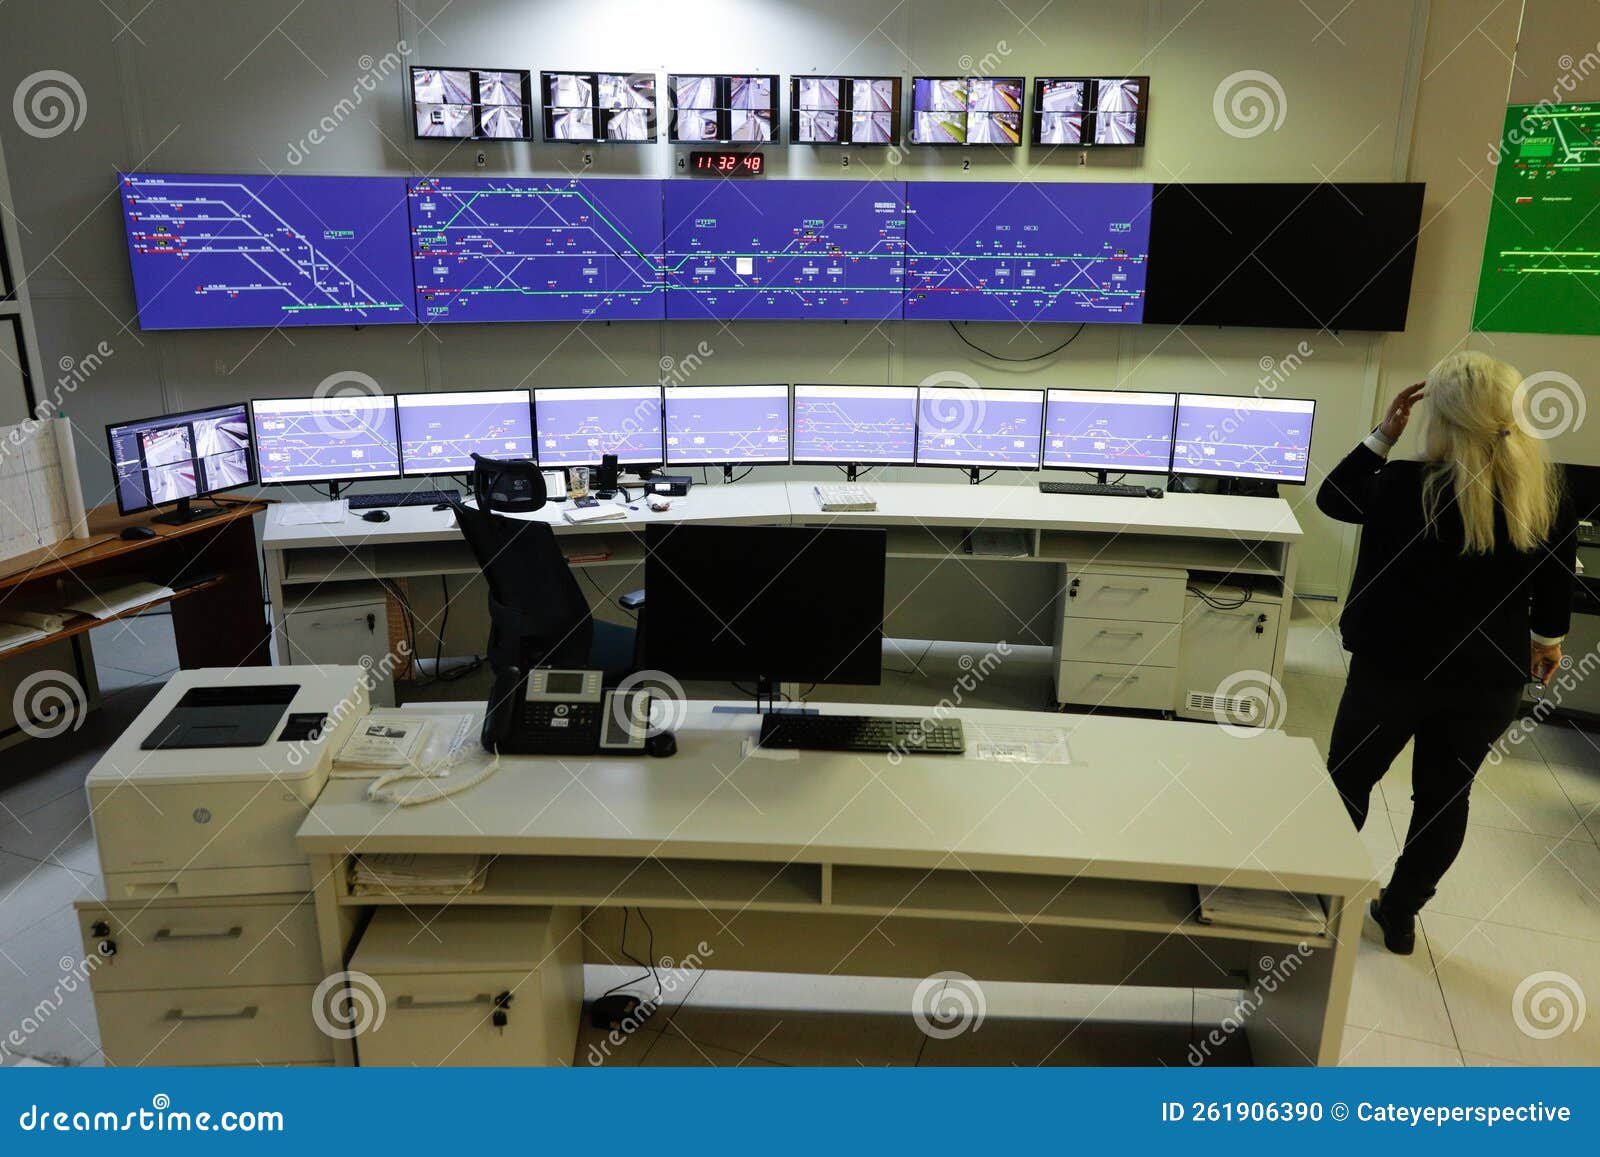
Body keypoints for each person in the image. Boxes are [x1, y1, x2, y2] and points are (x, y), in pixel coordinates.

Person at [1316, 351, 1578, 954]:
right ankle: (1401, 915)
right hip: (1486, 680)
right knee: (1443, 799)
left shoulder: (1401, 484)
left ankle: (1313, 899)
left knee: (1348, 782)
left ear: (1440, 417)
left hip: (1391, 669)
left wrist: (1384, 433)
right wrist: (1548, 643)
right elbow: (1555, 582)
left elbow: (1334, 498)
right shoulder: (1543, 491)